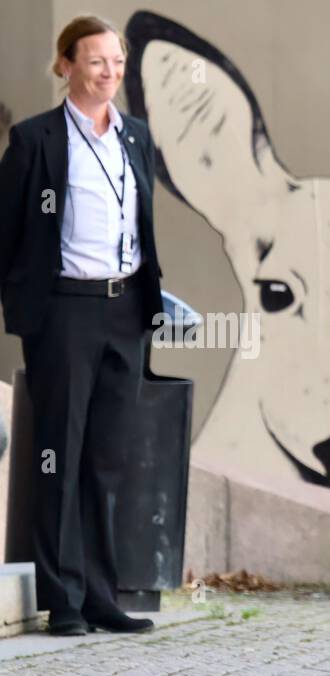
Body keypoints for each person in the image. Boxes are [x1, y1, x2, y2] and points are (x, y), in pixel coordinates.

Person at [0, 14, 165, 636]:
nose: (110, 73)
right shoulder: (36, 140)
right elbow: (6, 232)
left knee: (107, 460)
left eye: (117, 63)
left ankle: (101, 594)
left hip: (125, 312)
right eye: (97, 61)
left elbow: (141, 224)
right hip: (64, 312)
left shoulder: (136, 137)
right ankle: (62, 600)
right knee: (57, 457)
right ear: (66, 64)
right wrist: (24, 311)